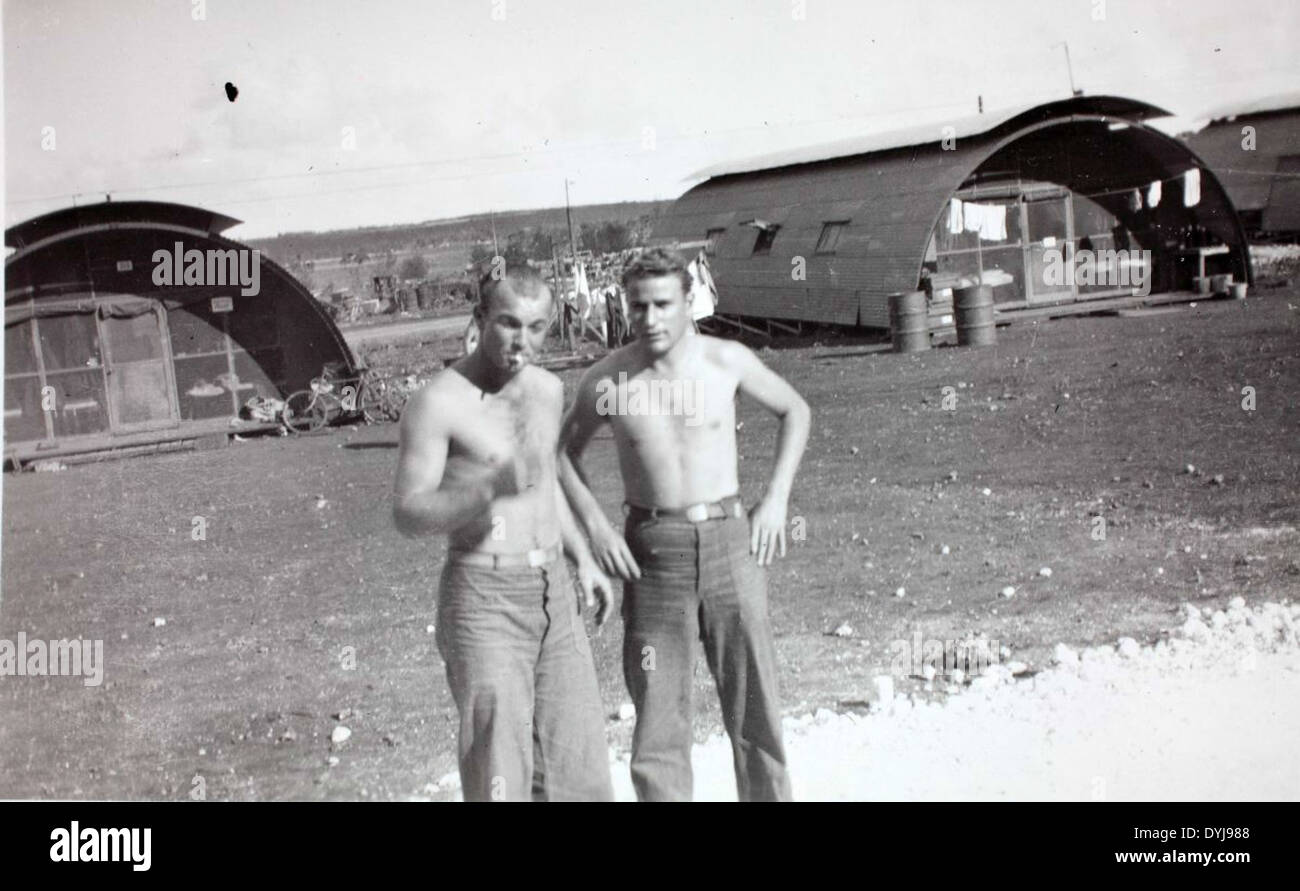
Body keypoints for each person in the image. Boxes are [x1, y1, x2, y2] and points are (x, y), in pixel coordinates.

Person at [558, 247, 811, 801]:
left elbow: (795, 410)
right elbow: (559, 454)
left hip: (729, 542)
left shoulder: (727, 360)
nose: (650, 319)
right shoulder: (609, 379)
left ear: (688, 301)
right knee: (658, 715)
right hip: (652, 551)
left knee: (753, 704)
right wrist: (597, 529)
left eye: (663, 305)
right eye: (638, 306)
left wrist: (776, 500)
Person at [393, 263, 614, 802]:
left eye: (537, 327)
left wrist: (582, 559)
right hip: (483, 600)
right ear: (479, 320)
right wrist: (488, 487)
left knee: (578, 768)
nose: (523, 341)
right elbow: (408, 513)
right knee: (500, 772)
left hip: (553, 595)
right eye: (509, 323)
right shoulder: (437, 402)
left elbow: (544, 487)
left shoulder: (547, 390)